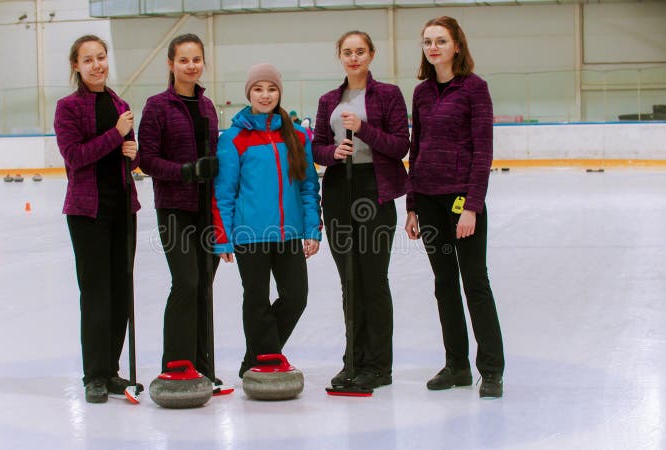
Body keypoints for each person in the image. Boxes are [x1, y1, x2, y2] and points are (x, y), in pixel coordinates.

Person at [404, 16, 505, 398]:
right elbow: (417, 149)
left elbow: (483, 151)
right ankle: (457, 365)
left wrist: (472, 206)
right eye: (428, 41)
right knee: (444, 283)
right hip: (428, 201)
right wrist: (412, 204)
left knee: (475, 282)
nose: (433, 48)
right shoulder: (422, 93)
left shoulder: (475, 89)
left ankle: (491, 369)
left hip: (461, 202)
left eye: (441, 41)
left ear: (457, 46)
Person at [312, 31, 410, 390]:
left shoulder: (388, 95)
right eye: (347, 52)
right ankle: (353, 360)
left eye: (360, 52)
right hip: (340, 189)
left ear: (371, 55)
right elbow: (317, 147)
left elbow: (401, 145)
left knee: (373, 280)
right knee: (350, 281)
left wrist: (364, 130)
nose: (354, 58)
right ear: (339, 56)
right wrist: (331, 154)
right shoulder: (328, 100)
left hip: (375, 190)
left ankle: (379, 365)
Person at [213, 63, 321, 377]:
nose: (265, 95)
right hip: (249, 234)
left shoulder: (298, 136)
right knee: (257, 300)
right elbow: (224, 193)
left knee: (296, 297)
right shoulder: (234, 138)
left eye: (271, 89)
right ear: (249, 93)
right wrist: (223, 237)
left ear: (279, 93)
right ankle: (266, 359)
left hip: (289, 234)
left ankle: (256, 358)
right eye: (258, 89)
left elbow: (308, 185)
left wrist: (312, 227)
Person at [54, 34, 141, 403]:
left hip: (122, 209)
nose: (97, 65)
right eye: (88, 60)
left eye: (101, 57)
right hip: (87, 212)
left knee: (121, 293)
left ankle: (112, 371)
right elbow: (74, 157)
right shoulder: (68, 107)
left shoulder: (119, 103)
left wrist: (133, 151)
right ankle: (93, 374)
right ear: (76, 66)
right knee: (96, 294)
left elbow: (129, 158)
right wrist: (116, 134)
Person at [137, 34, 226, 386]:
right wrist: (186, 172)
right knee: (186, 283)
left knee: (204, 286)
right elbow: (147, 159)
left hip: (206, 210)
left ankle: (203, 364)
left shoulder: (206, 107)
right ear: (172, 65)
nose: (191, 66)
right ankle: (176, 364)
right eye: (184, 60)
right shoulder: (157, 106)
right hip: (175, 208)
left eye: (196, 59)